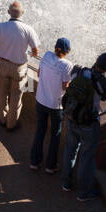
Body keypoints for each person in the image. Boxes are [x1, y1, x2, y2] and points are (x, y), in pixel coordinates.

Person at [61, 52, 106, 199]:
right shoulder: (104, 82)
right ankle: (83, 192)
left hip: (72, 118)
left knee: (69, 151)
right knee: (86, 158)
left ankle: (66, 183)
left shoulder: (79, 71)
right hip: (89, 123)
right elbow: (104, 97)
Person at [0, 1, 41, 130]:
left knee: (1, 93)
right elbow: (35, 51)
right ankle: (11, 124)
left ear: (9, 12)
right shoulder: (28, 29)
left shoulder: (1, 26)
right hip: (19, 67)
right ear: (22, 13)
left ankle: (2, 119)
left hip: (2, 64)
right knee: (17, 96)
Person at [31, 37, 75, 173]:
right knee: (55, 135)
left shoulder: (47, 55)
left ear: (55, 47)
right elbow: (65, 86)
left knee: (40, 131)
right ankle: (50, 166)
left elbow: (38, 73)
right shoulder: (67, 65)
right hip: (56, 105)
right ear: (68, 51)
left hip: (40, 100)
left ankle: (34, 162)